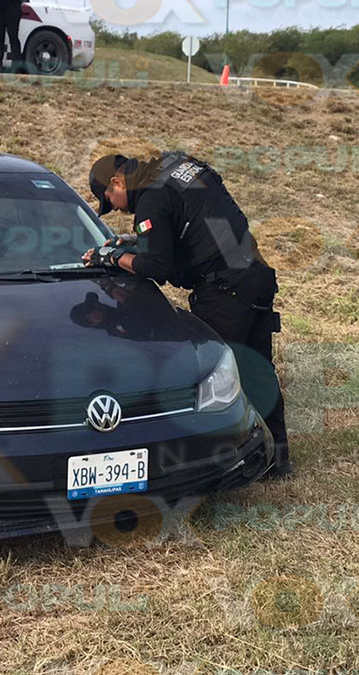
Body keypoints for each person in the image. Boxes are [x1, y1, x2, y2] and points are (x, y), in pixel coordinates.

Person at [83, 152, 292, 478]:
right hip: (255, 276)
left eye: (111, 200)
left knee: (204, 374)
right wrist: (138, 241)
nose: (119, 209)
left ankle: (202, 469)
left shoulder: (150, 197)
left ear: (116, 182)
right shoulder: (176, 167)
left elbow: (157, 267)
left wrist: (110, 258)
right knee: (257, 370)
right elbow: (200, 227)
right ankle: (278, 462)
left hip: (226, 290)